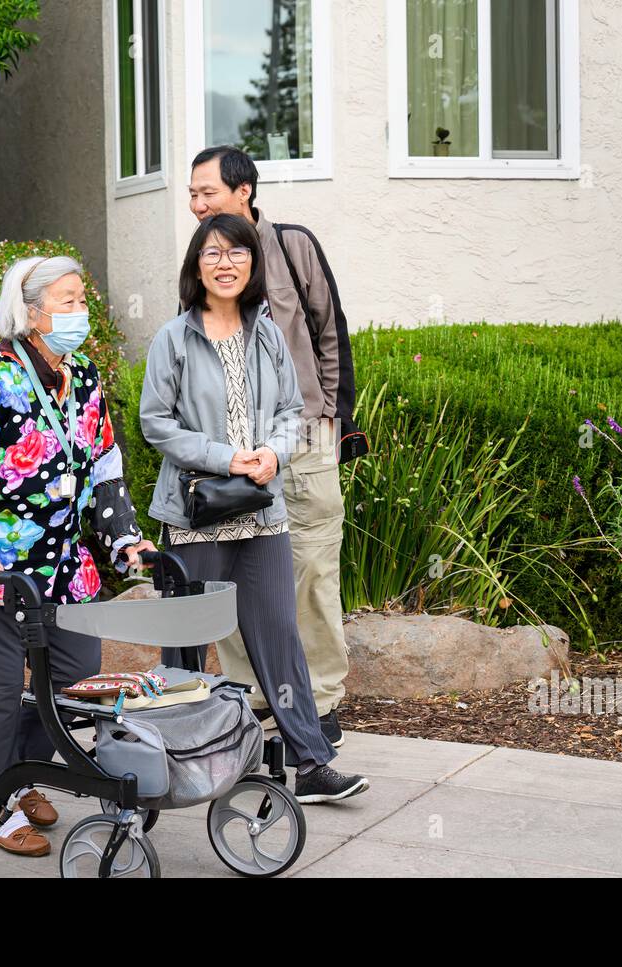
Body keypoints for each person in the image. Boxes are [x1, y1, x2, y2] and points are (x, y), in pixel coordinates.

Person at [138, 214, 369, 804]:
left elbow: (294, 411)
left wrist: (273, 452)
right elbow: (154, 422)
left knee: (279, 635)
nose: (226, 263)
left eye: (237, 252)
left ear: (251, 263)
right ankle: (173, 760)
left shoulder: (267, 332)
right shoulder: (174, 337)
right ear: (196, 266)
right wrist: (226, 457)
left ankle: (313, 762)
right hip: (198, 515)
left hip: (262, 512)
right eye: (212, 253)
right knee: (186, 642)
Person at [0, 255, 156, 857]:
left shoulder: (82, 376)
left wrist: (126, 542)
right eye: (67, 299)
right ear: (31, 312)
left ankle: (24, 772)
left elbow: (106, 473)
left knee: (76, 679)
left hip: (63, 563)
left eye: (83, 299)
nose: (80, 311)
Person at [186, 145, 365, 748]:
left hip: (304, 443)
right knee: (236, 575)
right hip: (233, 455)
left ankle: (320, 703)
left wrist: (331, 422)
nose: (197, 205)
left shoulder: (293, 246)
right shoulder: (202, 262)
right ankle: (254, 702)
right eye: (192, 195)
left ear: (244, 192)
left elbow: (330, 332)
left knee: (312, 571)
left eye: (206, 192)